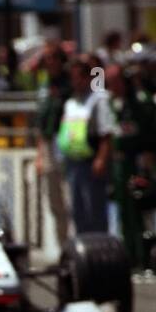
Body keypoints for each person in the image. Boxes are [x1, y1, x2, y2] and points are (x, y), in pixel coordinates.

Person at [105, 63, 156, 267]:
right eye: (110, 83)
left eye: (116, 82)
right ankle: (129, 255)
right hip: (118, 164)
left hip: (136, 161)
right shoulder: (110, 104)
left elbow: (149, 130)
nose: (113, 86)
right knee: (123, 211)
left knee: (139, 209)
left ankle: (144, 256)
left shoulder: (140, 103)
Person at [56, 54, 116, 234]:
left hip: (91, 163)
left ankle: (99, 248)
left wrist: (101, 159)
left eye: (79, 77)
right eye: (73, 78)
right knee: (78, 211)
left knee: (94, 210)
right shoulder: (71, 102)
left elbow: (106, 132)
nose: (75, 82)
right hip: (73, 162)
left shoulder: (99, 99)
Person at [34, 42, 71, 245]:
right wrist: (39, 155)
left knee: (68, 198)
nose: (48, 62)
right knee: (54, 200)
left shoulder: (69, 84)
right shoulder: (44, 85)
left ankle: (76, 244)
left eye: (52, 57)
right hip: (48, 145)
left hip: (66, 142)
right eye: (45, 58)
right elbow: (40, 123)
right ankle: (63, 245)